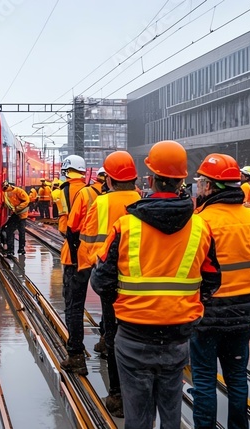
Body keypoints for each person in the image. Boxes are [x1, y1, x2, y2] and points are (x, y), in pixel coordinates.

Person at [89, 140, 220, 429]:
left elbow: (101, 281)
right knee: (171, 412)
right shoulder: (201, 227)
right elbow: (212, 280)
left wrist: (124, 301)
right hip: (177, 336)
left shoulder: (126, 225)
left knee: (137, 415)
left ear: (150, 179)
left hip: (134, 335)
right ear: (182, 181)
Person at [191, 153, 250, 429]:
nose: (199, 187)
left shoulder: (201, 221)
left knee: (204, 378)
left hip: (208, 311)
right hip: (246, 311)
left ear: (212, 187)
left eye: (202, 182)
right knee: (237, 377)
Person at [78, 151, 141, 418]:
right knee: (134, 337)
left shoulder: (101, 203)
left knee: (114, 336)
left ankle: (117, 394)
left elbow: (87, 239)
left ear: (110, 179)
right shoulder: (142, 201)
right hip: (138, 281)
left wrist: (87, 267)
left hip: (110, 279)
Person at [56, 155, 94, 375]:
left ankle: (76, 355)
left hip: (73, 256)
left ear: (66, 170)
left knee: (73, 306)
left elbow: (65, 226)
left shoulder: (65, 191)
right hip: (95, 255)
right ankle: (106, 344)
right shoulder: (92, 192)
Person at [1, 180, 30, 255]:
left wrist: (17, 208)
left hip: (20, 214)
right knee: (19, 232)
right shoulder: (6, 192)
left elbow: (26, 201)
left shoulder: (17, 191)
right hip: (17, 214)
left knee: (11, 231)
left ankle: (12, 250)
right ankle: (20, 250)